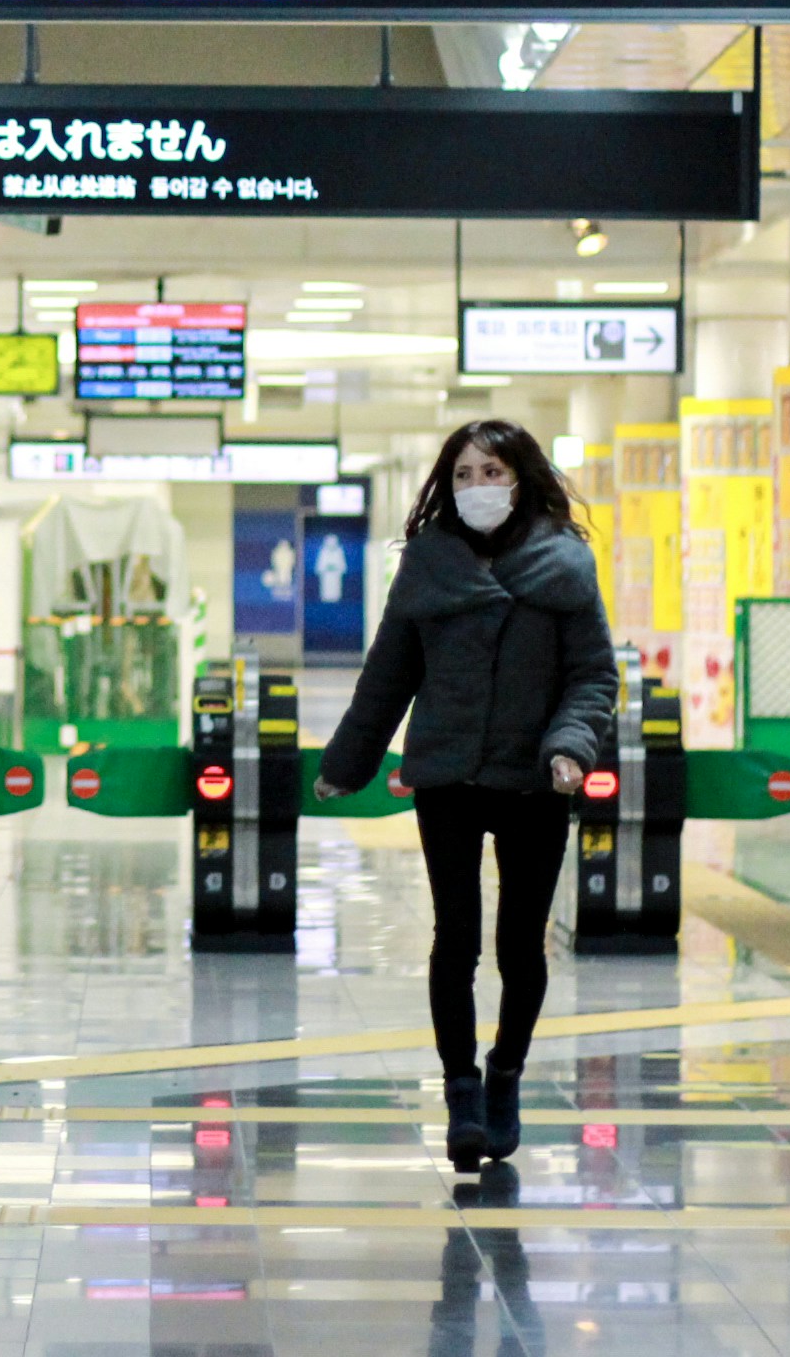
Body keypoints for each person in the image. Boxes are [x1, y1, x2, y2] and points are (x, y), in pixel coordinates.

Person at [315, 419, 615, 1175]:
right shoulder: (427, 568)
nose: (477, 487)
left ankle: (506, 1071)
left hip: (535, 779)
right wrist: (347, 762)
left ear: (522, 478)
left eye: (492, 472)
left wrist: (569, 747)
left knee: (521, 942)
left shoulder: (564, 566)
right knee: (455, 939)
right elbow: (389, 675)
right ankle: (462, 1095)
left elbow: (593, 676)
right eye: (463, 475)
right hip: (446, 775)